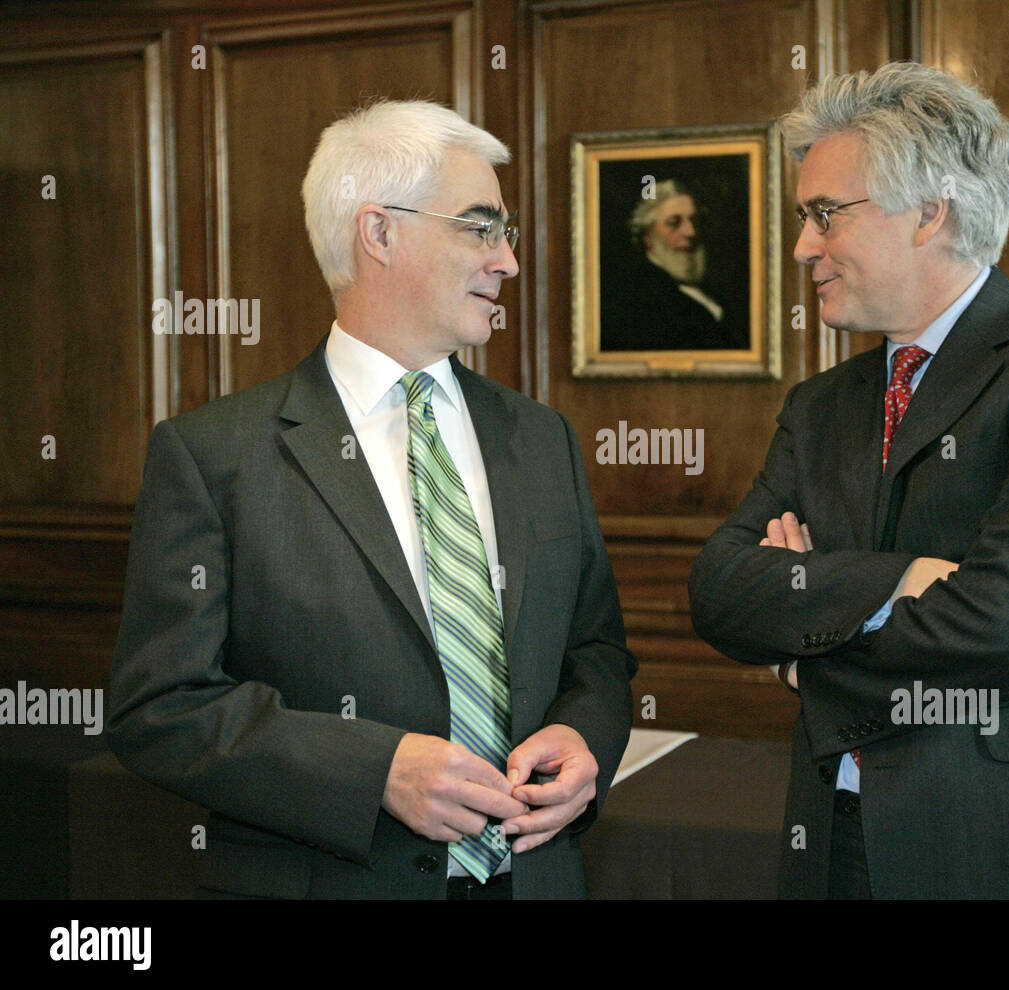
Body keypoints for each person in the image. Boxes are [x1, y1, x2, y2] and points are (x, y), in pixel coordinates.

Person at [107, 100, 636, 900]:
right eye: (480, 227)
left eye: (506, 231)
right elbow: (161, 708)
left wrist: (584, 736)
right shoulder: (214, 455)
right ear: (379, 233)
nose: (508, 263)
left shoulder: (542, 439)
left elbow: (596, 653)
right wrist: (375, 771)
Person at [688, 63, 1009, 898]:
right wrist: (901, 581)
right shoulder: (821, 404)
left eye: (824, 214)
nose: (804, 244)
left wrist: (809, 655)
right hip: (833, 844)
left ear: (930, 212)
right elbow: (720, 590)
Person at [601, 179, 746, 351]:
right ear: (647, 237)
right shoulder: (637, 302)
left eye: (693, 220)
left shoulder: (709, 288)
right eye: (674, 223)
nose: (691, 232)